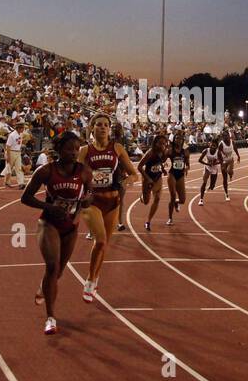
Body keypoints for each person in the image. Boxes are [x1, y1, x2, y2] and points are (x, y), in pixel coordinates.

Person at [20, 132, 92, 335]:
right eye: (69, 148)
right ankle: (50, 317)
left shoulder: (84, 171)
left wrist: (88, 199)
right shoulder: (46, 171)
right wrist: (49, 207)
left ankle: (44, 287)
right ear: (59, 150)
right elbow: (25, 198)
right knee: (52, 267)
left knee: (59, 270)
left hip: (71, 225)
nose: (73, 153)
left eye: (77, 149)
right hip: (49, 223)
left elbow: (90, 193)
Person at [78, 114, 137, 302]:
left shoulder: (117, 148)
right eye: (99, 125)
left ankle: (94, 278)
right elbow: (76, 174)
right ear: (92, 128)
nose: (103, 128)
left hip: (113, 202)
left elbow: (134, 174)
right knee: (101, 240)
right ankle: (89, 279)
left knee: (103, 244)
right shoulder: (84, 150)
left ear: (109, 129)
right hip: (93, 202)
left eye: (106, 125)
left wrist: (126, 182)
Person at [138, 135, 169, 232]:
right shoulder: (150, 153)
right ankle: (142, 196)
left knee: (157, 198)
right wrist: (147, 179)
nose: (162, 145)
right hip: (148, 178)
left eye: (164, 143)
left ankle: (148, 221)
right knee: (146, 202)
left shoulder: (163, 152)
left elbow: (159, 163)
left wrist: (163, 170)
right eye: (160, 143)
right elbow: (139, 167)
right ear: (155, 143)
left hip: (158, 178)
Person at [165, 133, 189, 224]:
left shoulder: (185, 151)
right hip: (172, 174)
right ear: (174, 140)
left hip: (181, 175)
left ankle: (176, 203)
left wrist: (187, 167)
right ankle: (170, 218)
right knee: (173, 196)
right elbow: (162, 159)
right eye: (176, 138)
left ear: (182, 140)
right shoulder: (170, 151)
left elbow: (188, 163)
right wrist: (163, 165)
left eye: (180, 138)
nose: (178, 140)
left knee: (182, 200)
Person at [197, 138, 222, 205]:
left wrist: (215, 163)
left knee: (212, 186)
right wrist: (207, 164)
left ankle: (210, 186)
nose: (213, 146)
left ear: (216, 146)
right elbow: (199, 160)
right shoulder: (206, 150)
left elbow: (221, 161)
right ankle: (201, 199)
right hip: (207, 167)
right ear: (209, 144)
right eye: (212, 145)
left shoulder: (218, 152)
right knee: (204, 182)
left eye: (214, 145)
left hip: (214, 168)